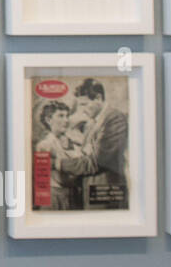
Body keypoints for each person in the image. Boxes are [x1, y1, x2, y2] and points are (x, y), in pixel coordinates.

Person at [50, 79, 128, 209]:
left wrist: (57, 163)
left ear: (98, 98)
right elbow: (86, 152)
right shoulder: (93, 122)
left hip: (105, 197)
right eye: (80, 105)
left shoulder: (115, 119)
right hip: (89, 196)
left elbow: (94, 162)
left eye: (85, 104)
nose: (82, 110)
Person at [33, 101, 83, 209]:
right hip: (55, 197)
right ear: (49, 120)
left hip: (74, 196)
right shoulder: (45, 145)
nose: (66, 120)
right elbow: (43, 182)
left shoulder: (74, 141)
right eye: (60, 116)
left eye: (67, 116)